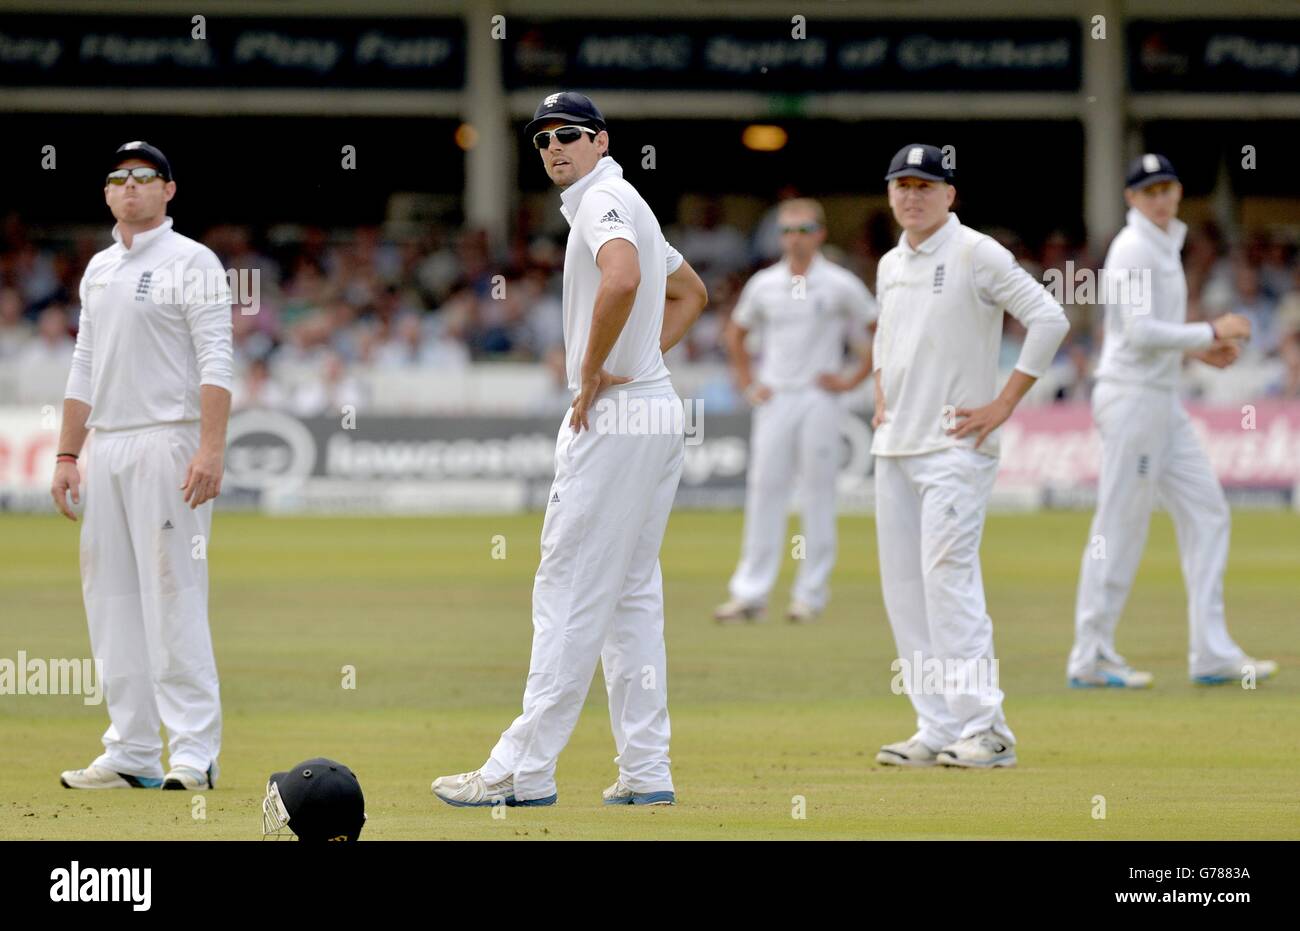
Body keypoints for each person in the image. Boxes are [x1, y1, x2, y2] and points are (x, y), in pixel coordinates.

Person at [431, 92, 708, 807]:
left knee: (568, 591)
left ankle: (520, 769)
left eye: (569, 135)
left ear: (600, 140)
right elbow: (692, 293)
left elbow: (624, 276)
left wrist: (592, 367)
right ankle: (646, 769)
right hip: (652, 406)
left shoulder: (603, 200)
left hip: (616, 416)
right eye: (543, 139)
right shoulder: (626, 197)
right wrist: (637, 358)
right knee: (630, 596)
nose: (554, 147)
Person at [871, 144, 1069, 769]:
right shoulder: (889, 262)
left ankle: (988, 729)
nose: (911, 196)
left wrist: (1004, 402)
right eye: (901, 185)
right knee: (905, 590)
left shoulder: (976, 251)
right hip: (895, 447)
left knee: (949, 583)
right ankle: (935, 725)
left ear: (950, 195)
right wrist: (882, 396)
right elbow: (889, 340)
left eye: (925, 186)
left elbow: (1048, 318)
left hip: (956, 447)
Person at [52, 141, 232, 790]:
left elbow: (216, 360)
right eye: (119, 179)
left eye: (144, 178)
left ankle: (193, 752)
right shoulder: (98, 269)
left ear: (168, 190)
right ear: (107, 194)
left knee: (173, 593)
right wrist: (69, 452)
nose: (130, 189)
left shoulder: (194, 262)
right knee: (112, 600)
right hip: (109, 444)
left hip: (170, 439)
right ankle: (130, 750)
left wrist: (210, 448)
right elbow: (83, 365)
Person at [1068, 154, 1277, 688]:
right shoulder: (1134, 246)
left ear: (1178, 192)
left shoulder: (1162, 243)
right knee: (1121, 524)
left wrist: (1198, 352)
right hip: (1132, 398)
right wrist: (1209, 333)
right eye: (1148, 191)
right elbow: (1137, 333)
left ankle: (1211, 653)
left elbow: (1152, 330)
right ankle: (1090, 656)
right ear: (1131, 199)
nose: (1159, 198)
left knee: (1208, 514)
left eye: (1166, 188)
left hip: (1162, 399)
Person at [714, 198, 877, 624]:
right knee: (764, 491)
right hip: (775, 397)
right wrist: (747, 382)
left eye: (804, 230)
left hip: (819, 398)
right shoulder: (765, 284)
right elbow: (735, 333)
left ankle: (810, 594)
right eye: (788, 231)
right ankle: (750, 593)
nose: (795, 238)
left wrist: (851, 379)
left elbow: (879, 332)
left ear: (820, 234)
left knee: (818, 494)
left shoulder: (839, 283)